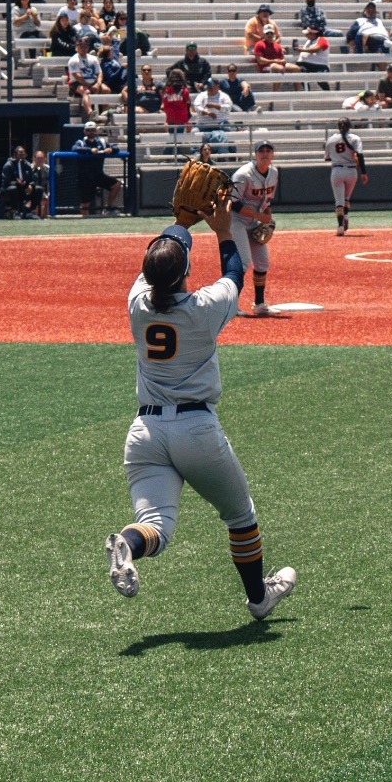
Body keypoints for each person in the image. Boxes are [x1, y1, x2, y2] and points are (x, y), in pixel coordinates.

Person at [105, 197, 297, 621]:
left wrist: (181, 221)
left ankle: (129, 545)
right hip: (195, 430)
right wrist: (224, 230)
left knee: (156, 523)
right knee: (240, 514)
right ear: (186, 271)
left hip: (145, 433)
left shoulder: (137, 302)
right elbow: (234, 272)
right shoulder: (204, 310)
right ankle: (258, 599)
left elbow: (158, 260)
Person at [229, 140, 280, 316]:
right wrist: (260, 217)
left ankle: (259, 304)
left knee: (262, 262)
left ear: (273, 154)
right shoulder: (243, 175)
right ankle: (230, 305)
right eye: (261, 151)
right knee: (243, 261)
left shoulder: (273, 172)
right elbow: (232, 204)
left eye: (268, 150)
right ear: (255, 154)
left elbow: (267, 200)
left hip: (253, 221)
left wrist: (268, 219)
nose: (265, 154)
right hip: (235, 220)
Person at [324, 116, 367, 236]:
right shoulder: (355, 138)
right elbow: (360, 155)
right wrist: (364, 172)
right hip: (351, 170)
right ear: (350, 126)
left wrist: (339, 157)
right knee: (347, 198)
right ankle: (346, 216)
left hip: (337, 169)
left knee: (339, 200)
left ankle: (340, 226)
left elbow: (327, 157)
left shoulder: (331, 139)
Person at [72, 121, 122, 214]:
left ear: (96, 131)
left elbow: (116, 148)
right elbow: (75, 148)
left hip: (98, 175)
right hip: (85, 177)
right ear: (85, 132)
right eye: (89, 130)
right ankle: (84, 222)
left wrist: (111, 149)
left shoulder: (101, 142)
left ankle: (108, 208)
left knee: (116, 184)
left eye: (93, 130)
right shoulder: (81, 142)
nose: (91, 132)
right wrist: (90, 150)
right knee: (85, 204)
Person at [1, 144, 41, 219]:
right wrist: (17, 183)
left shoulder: (27, 165)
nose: (22, 156)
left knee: (39, 189)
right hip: (12, 189)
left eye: (23, 154)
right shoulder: (8, 165)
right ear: (15, 155)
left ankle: (29, 211)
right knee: (12, 189)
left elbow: (32, 179)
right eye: (20, 154)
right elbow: (6, 181)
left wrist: (30, 185)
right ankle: (15, 211)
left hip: (25, 187)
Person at [65, 39, 101, 118]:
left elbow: (100, 73)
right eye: (81, 46)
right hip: (77, 83)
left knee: (106, 90)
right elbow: (77, 76)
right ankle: (90, 112)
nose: (83, 48)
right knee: (86, 91)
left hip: (93, 81)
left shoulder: (94, 59)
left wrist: (98, 84)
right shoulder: (73, 60)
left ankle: (105, 113)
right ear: (76, 48)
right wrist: (90, 85)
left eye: (85, 46)